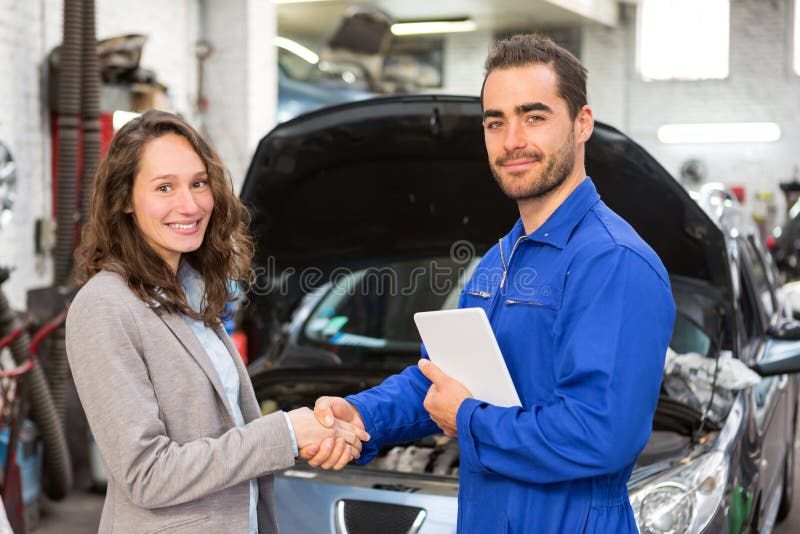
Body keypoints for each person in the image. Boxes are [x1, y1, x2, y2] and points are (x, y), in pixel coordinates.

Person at [305, 34, 676, 532]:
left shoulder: (613, 262)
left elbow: (600, 434)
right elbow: (442, 382)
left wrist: (469, 421)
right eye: (495, 121)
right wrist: (362, 415)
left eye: (534, 116)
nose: (512, 140)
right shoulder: (499, 260)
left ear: (582, 123)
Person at [66, 110, 366, 534]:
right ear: (124, 200)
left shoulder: (190, 291)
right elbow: (146, 475)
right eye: (164, 187)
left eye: (198, 183)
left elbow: (224, 433)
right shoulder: (105, 306)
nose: (189, 205)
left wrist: (312, 431)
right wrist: (284, 434)